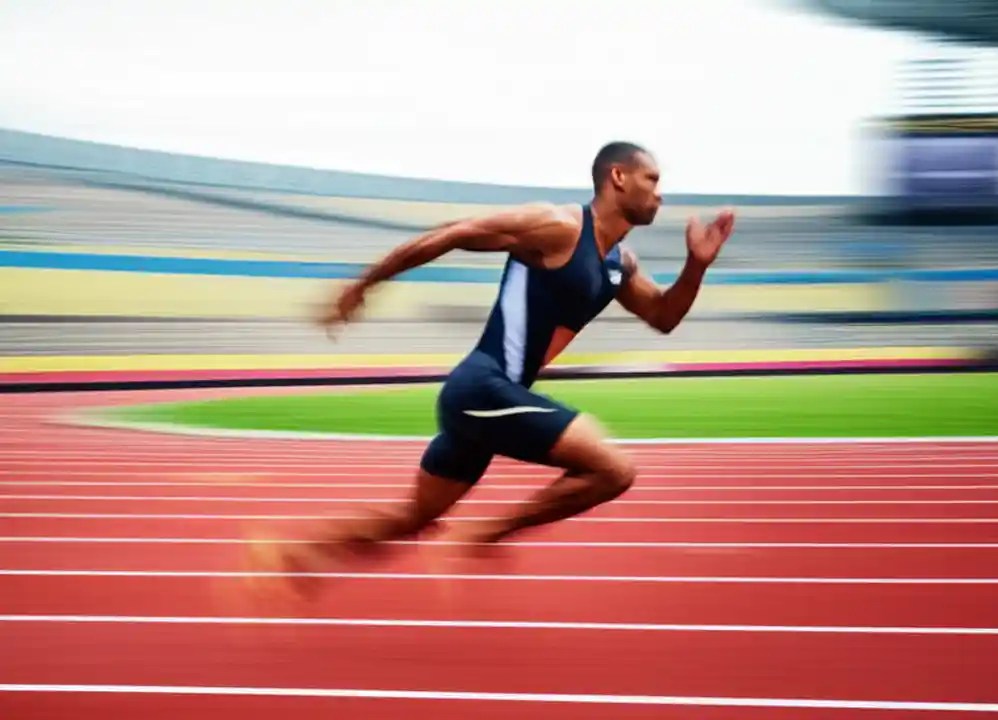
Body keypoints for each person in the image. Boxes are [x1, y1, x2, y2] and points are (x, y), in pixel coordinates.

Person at [245, 142, 735, 598]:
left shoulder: (618, 265)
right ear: (618, 177)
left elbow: (664, 316)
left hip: (485, 403)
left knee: (412, 518)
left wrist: (696, 266)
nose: (660, 192)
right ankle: (485, 532)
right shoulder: (558, 226)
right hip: (482, 387)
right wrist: (363, 285)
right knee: (613, 469)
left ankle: (293, 557)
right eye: (651, 178)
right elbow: (457, 233)